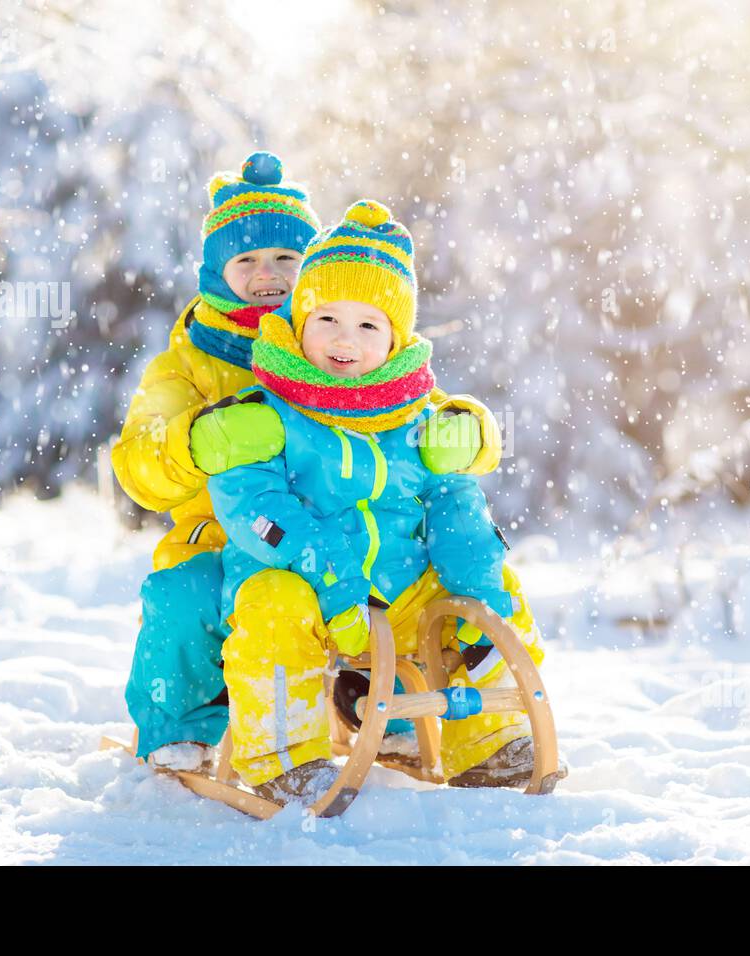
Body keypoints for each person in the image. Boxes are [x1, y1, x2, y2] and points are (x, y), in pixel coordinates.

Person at [113, 155, 503, 771]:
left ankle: (388, 699)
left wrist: (471, 430)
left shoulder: (339, 340)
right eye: (245, 261)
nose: (267, 274)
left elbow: (417, 411)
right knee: (185, 597)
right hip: (222, 534)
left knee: (408, 564)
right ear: (216, 271)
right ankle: (178, 724)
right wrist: (202, 441)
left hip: (342, 529)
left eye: (285, 260)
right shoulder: (186, 363)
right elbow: (138, 464)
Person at [208, 200, 558, 807]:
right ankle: (284, 758)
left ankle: (492, 740)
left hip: (394, 595)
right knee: (271, 606)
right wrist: (331, 574)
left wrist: (477, 582)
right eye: (328, 320)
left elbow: (454, 500)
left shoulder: (416, 418)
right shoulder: (266, 415)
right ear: (298, 322)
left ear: (395, 338)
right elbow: (253, 506)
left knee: (485, 591)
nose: (347, 340)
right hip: (308, 589)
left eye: (369, 325)